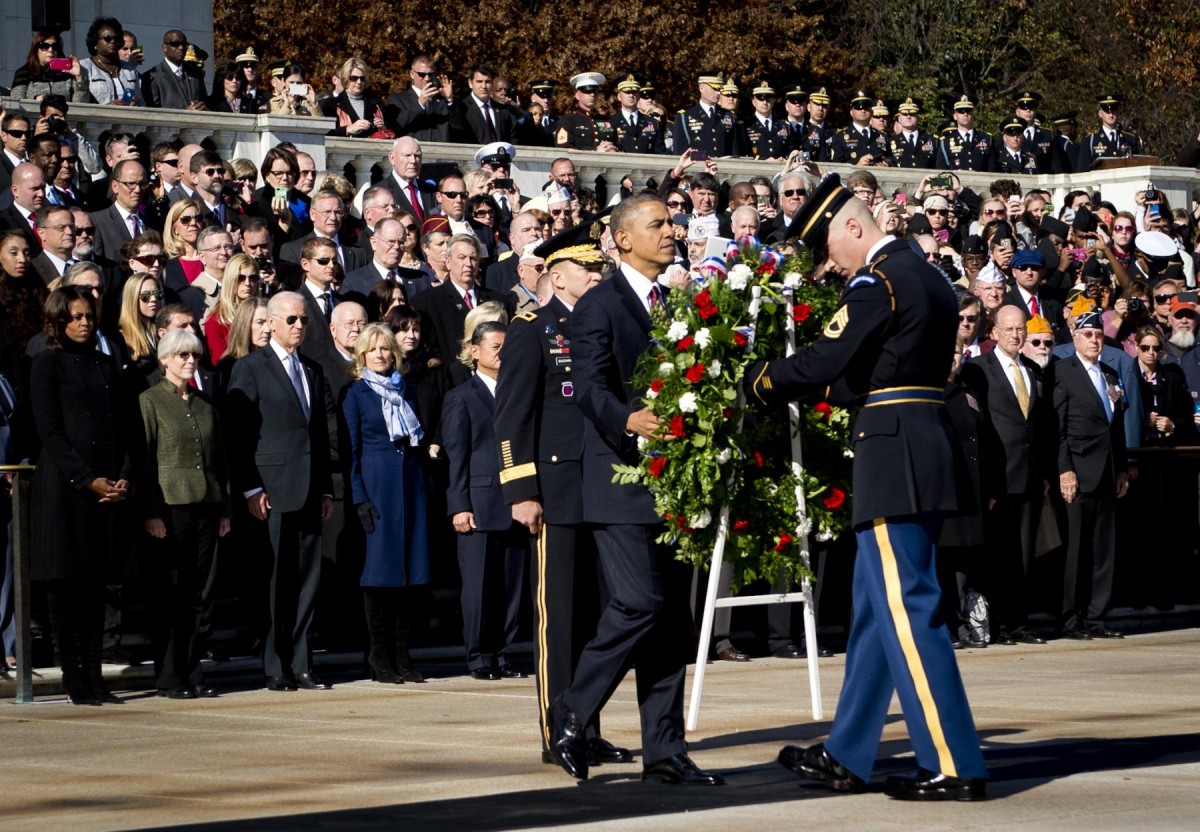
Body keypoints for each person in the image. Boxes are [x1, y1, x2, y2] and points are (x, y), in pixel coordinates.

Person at [746, 174, 988, 800]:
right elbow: (874, 369)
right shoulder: (927, 275)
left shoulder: (878, 279)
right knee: (876, 613)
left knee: (908, 611)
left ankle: (953, 762)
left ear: (853, 226)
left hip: (895, 453)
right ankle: (848, 752)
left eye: (828, 244)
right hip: (921, 439)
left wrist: (759, 380)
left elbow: (828, 361)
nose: (829, 260)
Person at [547, 196, 722, 786]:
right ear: (621, 240)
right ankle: (573, 710)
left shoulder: (676, 302)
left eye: (671, 223)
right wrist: (627, 420)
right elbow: (588, 387)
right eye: (658, 225)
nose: (672, 231)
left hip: (671, 482)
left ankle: (665, 750)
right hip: (618, 479)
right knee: (637, 601)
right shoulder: (599, 304)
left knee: (672, 616)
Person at [495, 218, 632, 765]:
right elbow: (511, 418)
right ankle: (558, 734)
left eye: (600, 265)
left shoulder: (604, 325)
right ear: (556, 273)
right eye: (587, 266)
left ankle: (587, 728)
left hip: (604, 485)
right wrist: (521, 489)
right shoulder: (533, 327)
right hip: (555, 489)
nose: (598, 273)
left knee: (600, 616)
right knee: (560, 619)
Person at [226, 291, 335, 691]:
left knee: (308, 580)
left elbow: (318, 434)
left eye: (303, 320)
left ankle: (302, 662)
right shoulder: (251, 368)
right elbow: (239, 436)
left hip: (309, 488)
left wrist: (324, 487)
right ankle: (274, 665)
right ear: (270, 322)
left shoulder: (312, 368)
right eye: (291, 320)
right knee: (274, 581)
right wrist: (251, 488)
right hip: (271, 490)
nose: (299, 327)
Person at [30, 286, 133, 705]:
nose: (84, 323)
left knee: (95, 585)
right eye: (74, 316)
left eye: (88, 315)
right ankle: (71, 672)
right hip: (65, 488)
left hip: (106, 489)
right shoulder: (44, 364)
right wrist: (86, 478)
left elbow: (125, 427)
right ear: (58, 320)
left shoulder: (109, 365)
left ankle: (94, 671)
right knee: (64, 585)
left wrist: (123, 476)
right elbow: (49, 431)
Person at [138, 327, 229, 699]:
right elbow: (146, 458)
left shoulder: (206, 404)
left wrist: (224, 508)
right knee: (171, 591)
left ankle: (193, 671)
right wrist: (151, 512)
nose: (190, 362)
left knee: (197, 593)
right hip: (170, 508)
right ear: (164, 360)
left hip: (206, 505)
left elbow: (219, 460)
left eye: (194, 356)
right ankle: (170, 675)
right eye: (182, 356)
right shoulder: (150, 400)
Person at [341, 323, 429, 683]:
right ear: (361, 356)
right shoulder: (356, 393)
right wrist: (359, 496)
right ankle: (379, 658)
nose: (380, 355)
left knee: (409, 575)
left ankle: (403, 656)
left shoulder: (406, 389)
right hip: (376, 489)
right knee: (378, 577)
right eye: (372, 350)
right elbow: (352, 451)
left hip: (409, 487)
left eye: (386, 349)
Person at [960, 305, 1052, 646]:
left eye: (1021, 329)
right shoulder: (977, 370)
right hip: (998, 477)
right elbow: (977, 428)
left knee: (1024, 554)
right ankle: (994, 623)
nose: (1016, 335)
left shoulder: (1032, 370)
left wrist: (1043, 473)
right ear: (994, 333)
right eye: (1009, 329)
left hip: (1028, 476)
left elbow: (1038, 427)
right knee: (998, 555)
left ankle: (1019, 621)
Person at [441, 320, 527, 679]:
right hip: (478, 504)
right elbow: (457, 456)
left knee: (511, 587)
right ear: (475, 352)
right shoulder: (460, 397)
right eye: (496, 348)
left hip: (516, 503)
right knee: (478, 588)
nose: (503, 355)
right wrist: (459, 505)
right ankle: (479, 656)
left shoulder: (519, 392)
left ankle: (503, 653)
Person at [1046, 310, 1129, 640]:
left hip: (1107, 472)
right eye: (1088, 335)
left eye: (1098, 334)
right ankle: (1069, 618)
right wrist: (1065, 468)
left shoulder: (1110, 373)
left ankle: (1096, 616)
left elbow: (1116, 427)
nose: (1095, 340)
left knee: (1103, 550)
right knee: (1074, 551)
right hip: (1078, 473)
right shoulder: (1062, 372)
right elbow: (1059, 428)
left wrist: (1121, 468)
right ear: (1075, 338)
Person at [383, 55, 462, 142]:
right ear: (412, 74)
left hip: (440, 152)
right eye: (422, 74)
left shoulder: (442, 99)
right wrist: (419, 104)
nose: (427, 79)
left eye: (431, 74)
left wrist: (450, 100)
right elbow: (395, 125)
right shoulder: (397, 99)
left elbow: (458, 127)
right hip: (412, 152)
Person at [205, 253, 260, 363]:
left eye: (253, 278)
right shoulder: (216, 321)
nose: (247, 283)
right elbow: (220, 362)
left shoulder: (265, 313)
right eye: (240, 278)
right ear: (230, 279)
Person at [77, 17, 143, 106]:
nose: (113, 41)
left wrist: (136, 106)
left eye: (116, 38)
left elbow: (141, 101)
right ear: (95, 42)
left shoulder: (130, 69)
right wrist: (108, 108)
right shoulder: (83, 67)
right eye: (107, 38)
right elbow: (79, 103)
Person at [9, 29, 87, 102]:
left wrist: (79, 78)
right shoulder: (24, 73)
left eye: (55, 46)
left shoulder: (66, 74)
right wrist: (35, 99)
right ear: (36, 50)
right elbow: (16, 102)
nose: (50, 50)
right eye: (45, 46)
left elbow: (81, 105)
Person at [116, 268, 164, 386]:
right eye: (146, 295)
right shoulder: (121, 338)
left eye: (158, 294)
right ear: (132, 298)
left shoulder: (162, 331)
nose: (154, 300)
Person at [141, 30, 207, 111]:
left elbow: (205, 101)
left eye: (184, 44)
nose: (181, 47)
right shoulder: (152, 76)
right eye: (175, 44)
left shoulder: (195, 73)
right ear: (165, 48)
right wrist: (185, 113)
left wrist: (203, 108)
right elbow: (151, 113)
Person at [330, 58, 387, 138]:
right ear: (346, 78)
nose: (359, 82)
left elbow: (393, 132)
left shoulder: (377, 104)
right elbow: (326, 134)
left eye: (362, 78)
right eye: (354, 78)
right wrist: (348, 129)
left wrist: (383, 127)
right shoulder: (333, 104)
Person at [161, 198, 205, 292]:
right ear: (174, 229)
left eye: (198, 218)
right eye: (186, 220)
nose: (193, 223)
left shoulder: (211, 258)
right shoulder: (164, 263)